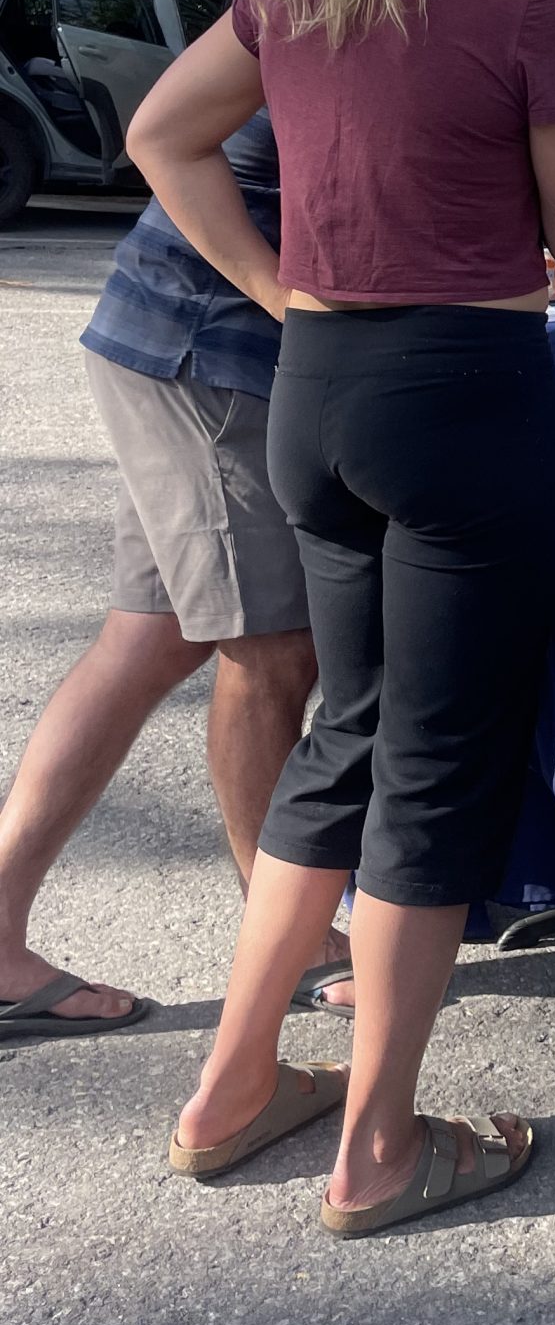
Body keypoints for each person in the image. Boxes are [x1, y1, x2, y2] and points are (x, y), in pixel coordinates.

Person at [129, 0, 555, 1234]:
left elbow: (161, 133)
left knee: (348, 732)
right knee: (434, 770)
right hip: (460, 394)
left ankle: (230, 1091)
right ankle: (378, 1148)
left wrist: (279, 287)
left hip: (319, 391)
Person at [0, 110, 343, 1036]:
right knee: (274, 649)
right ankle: (293, 939)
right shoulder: (334, 4)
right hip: (208, 347)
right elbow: (161, 137)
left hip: (169, 336)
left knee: (148, 639)